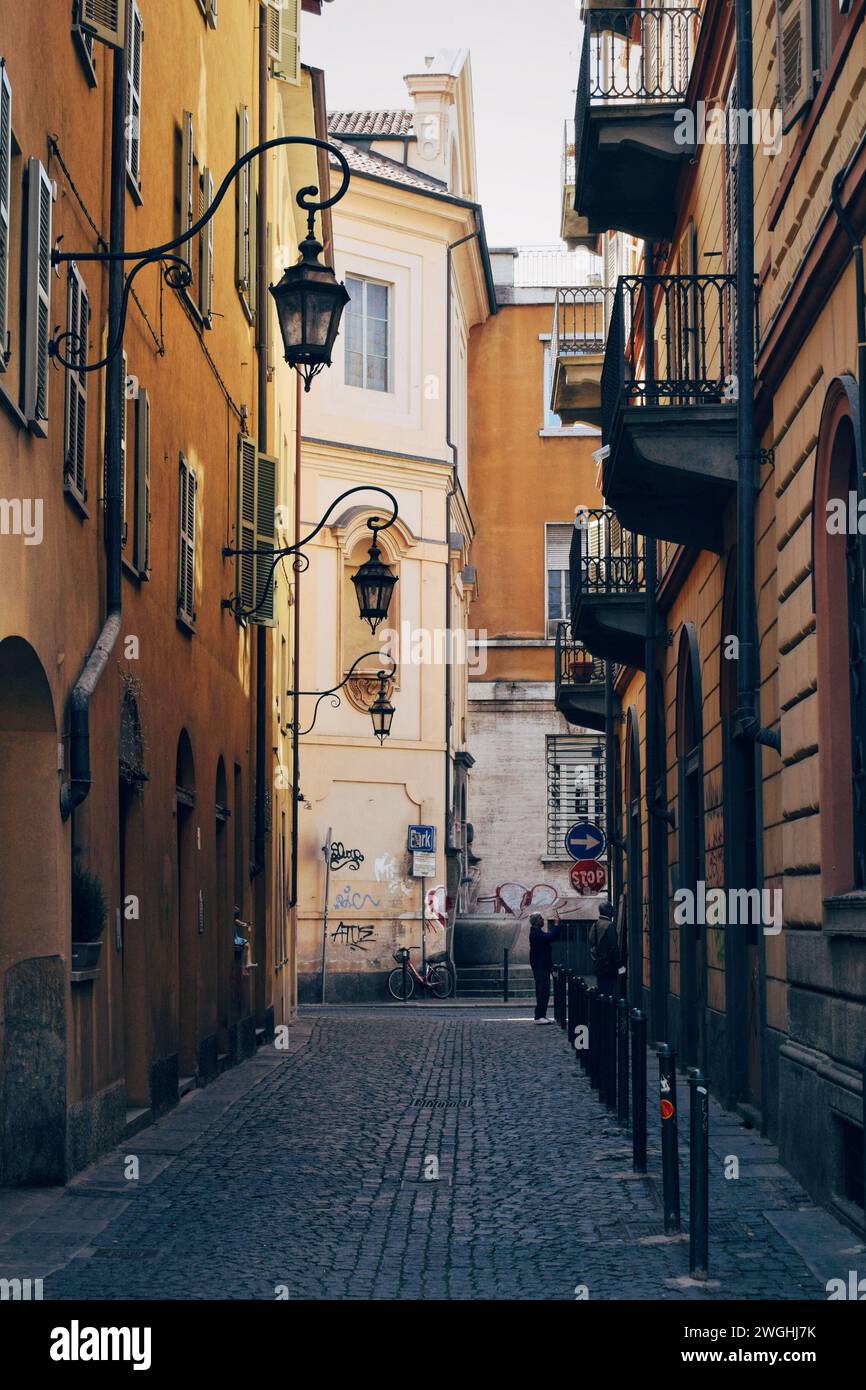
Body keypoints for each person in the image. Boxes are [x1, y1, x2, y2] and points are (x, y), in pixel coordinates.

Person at [528, 911, 561, 1024]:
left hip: (543, 965)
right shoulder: (535, 933)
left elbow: (550, 937)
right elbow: (549, 937)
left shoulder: (537, 932)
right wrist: (556, 924)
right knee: (542, 990)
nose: (543, 920)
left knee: (545, 990)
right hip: (539, 966)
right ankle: (539, 1016)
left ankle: (542, 1015)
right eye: (541, 918)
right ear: (536, 921)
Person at [588, 899, 619, 998]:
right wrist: (619, 965)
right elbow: (614, 947)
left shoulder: (595, 925)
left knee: (601, 990)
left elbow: (591, 944)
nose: (613, 910)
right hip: (609, 966)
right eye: (611, 908)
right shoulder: (609, 925)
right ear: (607, 911)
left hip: (598, 964)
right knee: (609, 992)